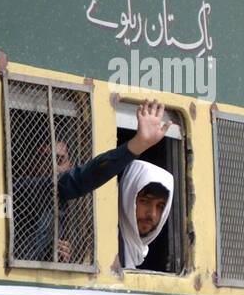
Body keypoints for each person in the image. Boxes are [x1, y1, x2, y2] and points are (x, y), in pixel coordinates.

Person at [15, 100, 171, 264]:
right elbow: (74, 181)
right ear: (25, 164)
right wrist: (137, 145)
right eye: (44, 160)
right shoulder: (23, 191)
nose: (54, 169)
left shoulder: (80, 213)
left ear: (70, 166)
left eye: (60, 160)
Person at [118, 160, 173, 269]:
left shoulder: (137, 251)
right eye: (145, 201)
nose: (152, 214)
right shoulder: (108, 245)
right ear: (128, 196)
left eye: (160, 206)